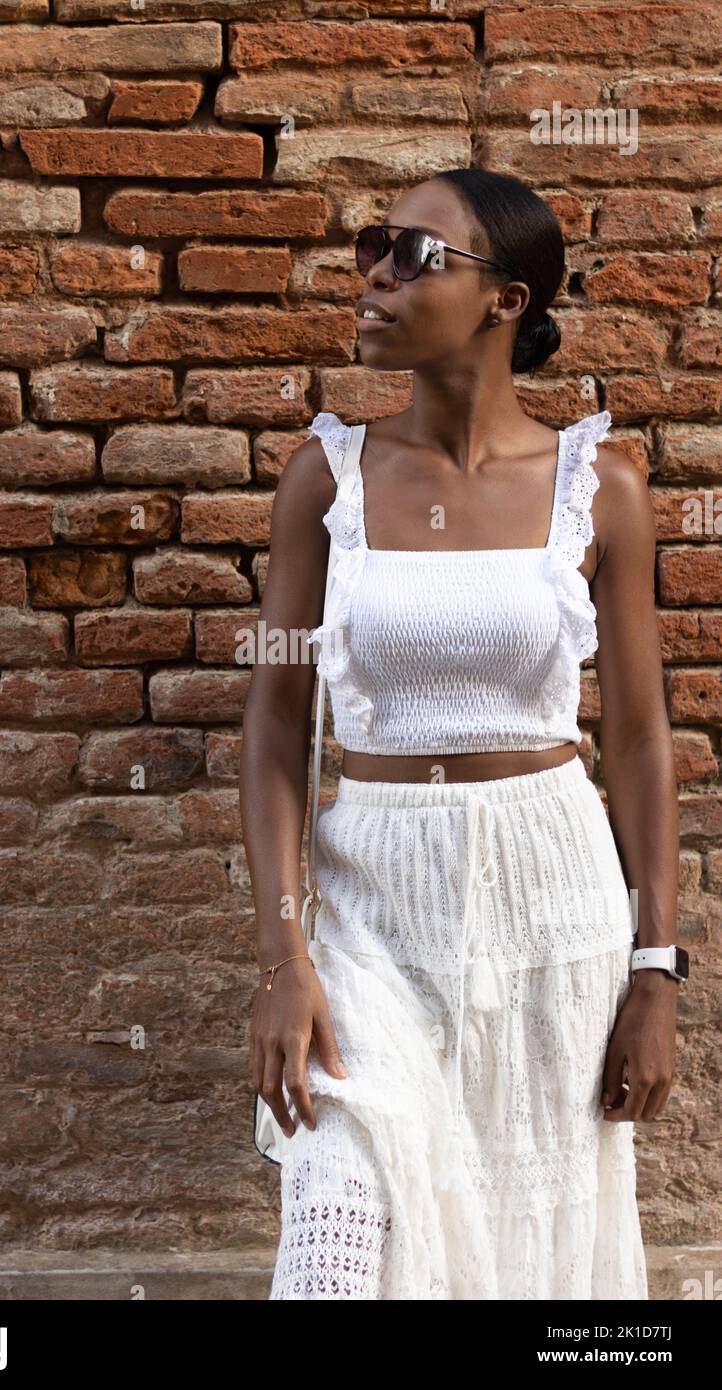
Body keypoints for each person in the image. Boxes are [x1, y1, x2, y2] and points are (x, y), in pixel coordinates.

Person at [240, 169, 681, 1300]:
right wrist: (282, 959)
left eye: (415, 254)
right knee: (336, 1225)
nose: (377, 276)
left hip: (552, 906)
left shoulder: (600, 485)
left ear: (504, 299)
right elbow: (278, 731)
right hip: (371, 907)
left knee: (529, 1246)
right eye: (373, 250)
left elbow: (634, 741)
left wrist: (654, 973)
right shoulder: (324, 479)